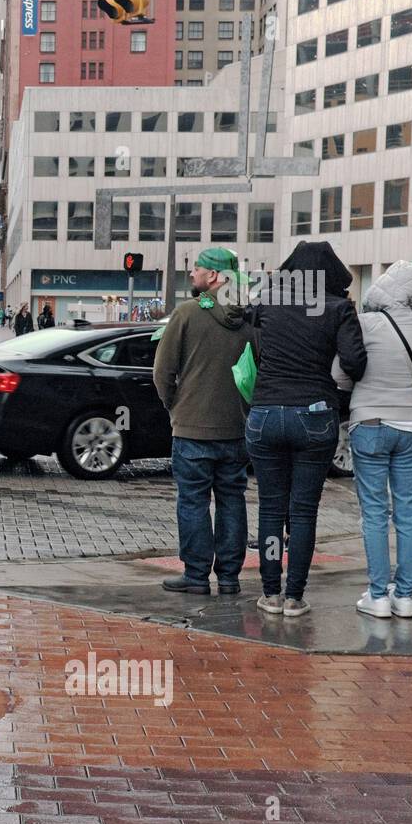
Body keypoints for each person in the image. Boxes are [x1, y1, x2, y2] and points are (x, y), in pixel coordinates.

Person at [246, 241, 366, 617]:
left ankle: (270, 593)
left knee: (269, 509)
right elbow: (355, 363)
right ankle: (295, 595)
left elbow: (253, 346)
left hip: (265, 412)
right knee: (302, 513)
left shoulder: (266, 303)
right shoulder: (339, 308)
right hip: (314, 415)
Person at [331, 261, 412, 618]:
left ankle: (377, 595)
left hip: (370, 424)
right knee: (409, 511)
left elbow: (340, 375)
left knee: (374, 513)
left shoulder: (365, 323)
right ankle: (404, 596)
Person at [153, 248, 256, 596]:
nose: (192, 274)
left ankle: (196, 576)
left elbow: (162, 372)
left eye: (197, 269)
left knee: (193, 500)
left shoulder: (186, 314)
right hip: (235, 428)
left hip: (192, 428)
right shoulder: (250, 320)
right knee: (232, 500)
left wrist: (174, 405)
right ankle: (229, 577)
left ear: (213, 276)